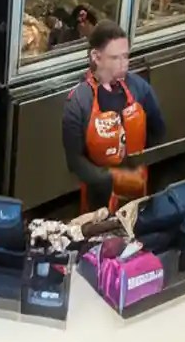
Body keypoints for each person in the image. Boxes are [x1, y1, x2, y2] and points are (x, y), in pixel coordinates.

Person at [62, 20, 165, 212]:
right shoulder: (78, 101)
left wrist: (140, 167)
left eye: (126, 57)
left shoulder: (140, 89)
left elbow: (158, 130)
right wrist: (111, 179)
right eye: (115, 58)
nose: (123, 64)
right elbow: (74, 160)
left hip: (137, 187)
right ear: (96, 57)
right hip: (97, 197)